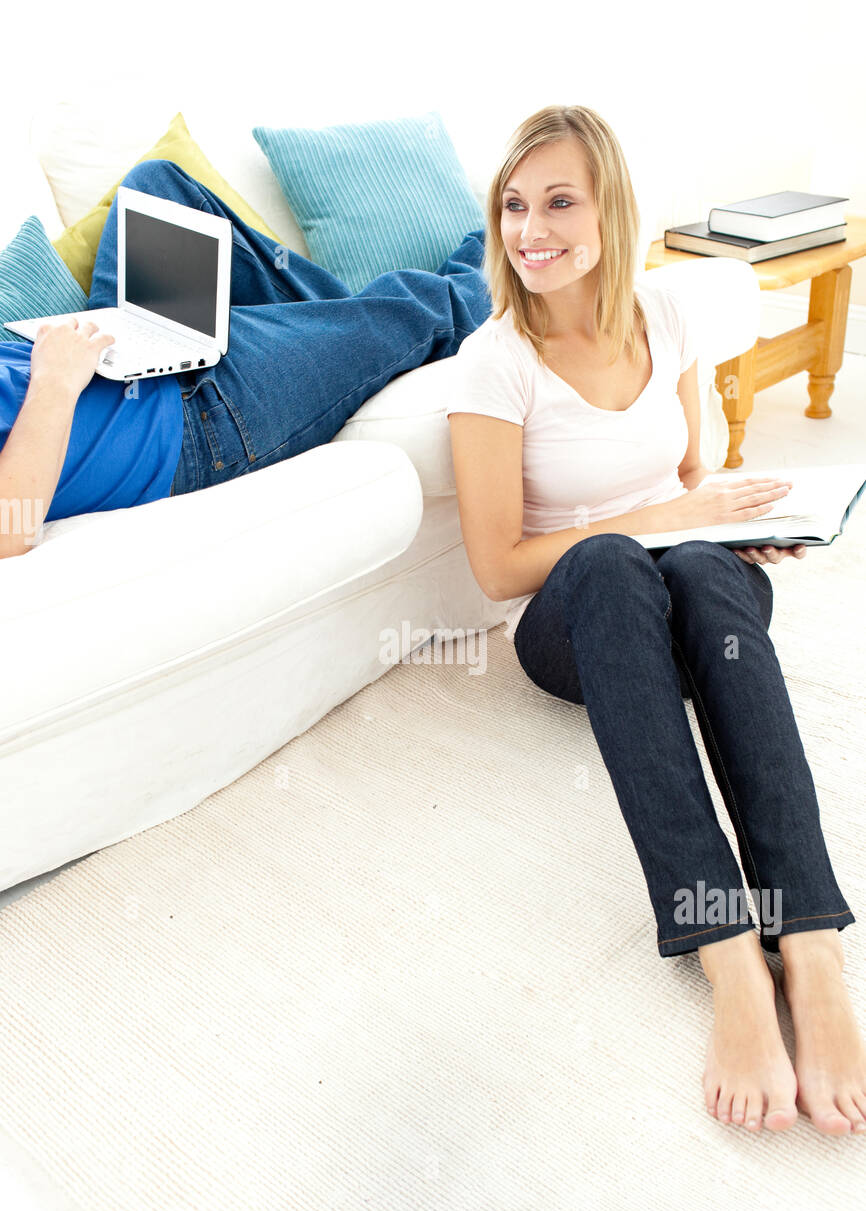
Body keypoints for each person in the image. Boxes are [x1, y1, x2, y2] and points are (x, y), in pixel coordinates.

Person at [446, 104, 864, 1136]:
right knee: (611, 558)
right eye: (511, 205)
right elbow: (499, 566)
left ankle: (808, 944)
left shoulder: (664, 317)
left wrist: (727, 521)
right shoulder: (492, 363)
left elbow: (693, 475)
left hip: (688, 589)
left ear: (608, 212)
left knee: (705, 575)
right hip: (579, 620)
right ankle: (726, 951)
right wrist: (667, 518)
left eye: (556, 202)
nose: (529, 228)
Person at [0, 158, 493, 557]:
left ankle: (345, 329)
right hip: (200, 419)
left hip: (117, 351)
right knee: (418, 308)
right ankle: (510, 252)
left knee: (155, 184)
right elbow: (10, 532)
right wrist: (55, 382)